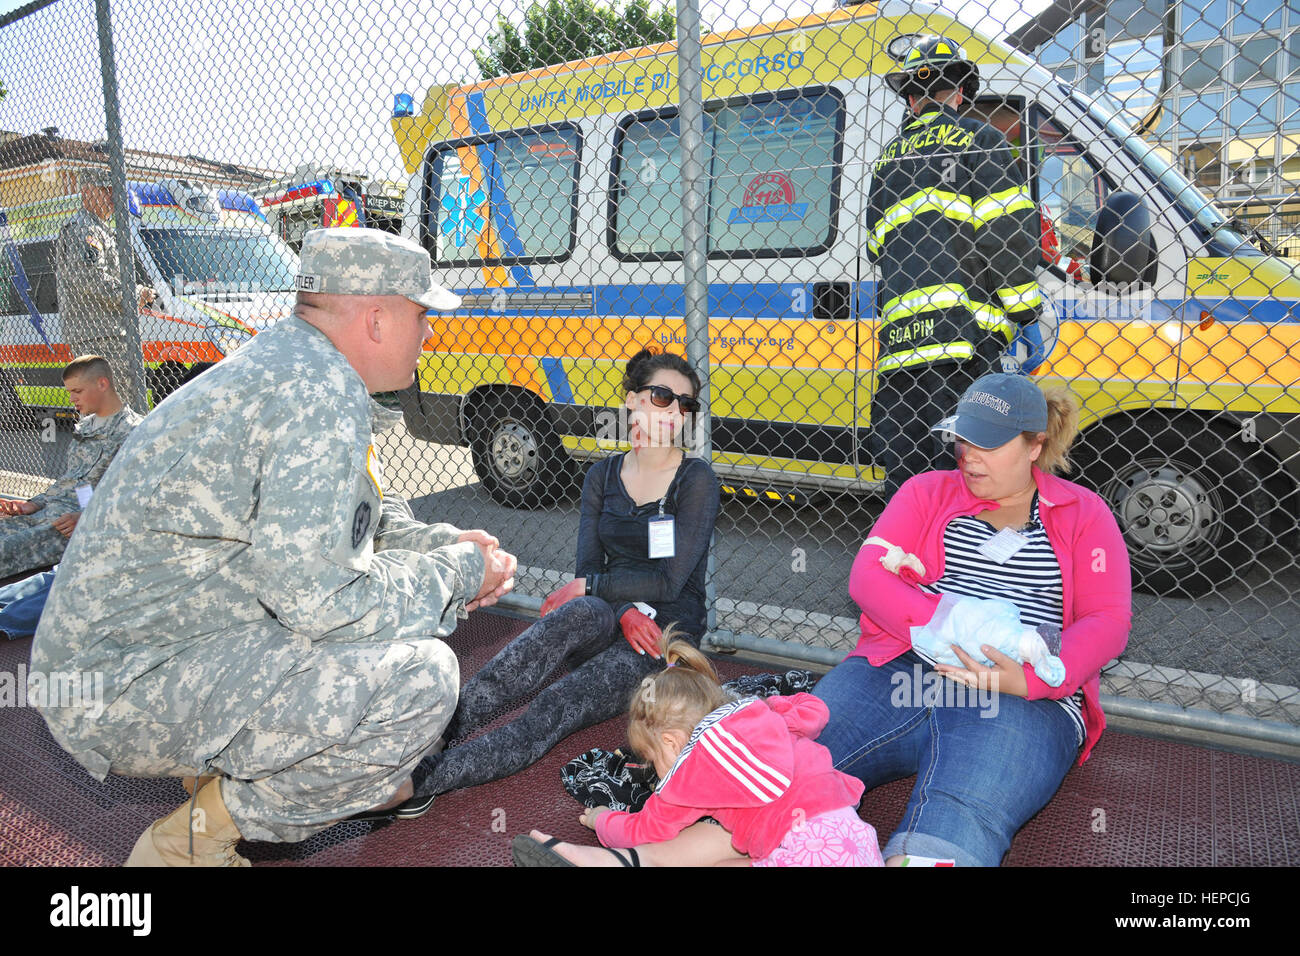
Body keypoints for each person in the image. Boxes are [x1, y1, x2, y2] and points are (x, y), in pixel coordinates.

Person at [31, 227, 517, 866]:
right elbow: (326, 601)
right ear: (375, 317)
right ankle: (186, 848)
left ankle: (214, 779)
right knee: (418, 679)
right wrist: (456, 575)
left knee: (384, 620)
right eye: (422, 314)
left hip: (136, 652)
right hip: (120, 683)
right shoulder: (314, 394)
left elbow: (350, 523)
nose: (431, 333)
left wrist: (446, 542)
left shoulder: (296, 365)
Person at [813, 372, 1132, 866]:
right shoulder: (927, 491)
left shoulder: (1082, 512)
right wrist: (956, 626)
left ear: (1034, 445)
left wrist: (1032, 678)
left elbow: (1108, 620)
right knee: (783, 771)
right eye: (964, 438)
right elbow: (868, 580)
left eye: (989, 443)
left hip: (1024, 694)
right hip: (904, 666)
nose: (969, 455)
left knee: (955, 820)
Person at [392, 348, 719, 816]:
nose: (676, 412)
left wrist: (594, 590)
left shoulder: (696, 480)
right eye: (663, 396)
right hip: (613, 616)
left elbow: (669, 583)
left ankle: (412, 785)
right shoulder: (602, 475)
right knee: (577, 615)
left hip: (662, 639)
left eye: (687, 404)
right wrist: (619, 607)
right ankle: (439, 730)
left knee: (553, 704)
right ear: (631, 400)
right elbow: (588, 569)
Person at [514, 634, 882, 867]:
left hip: (803, 856)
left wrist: (601, 820)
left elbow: (646, 829)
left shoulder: (691, 774)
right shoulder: (764, 718)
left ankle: (604, 862)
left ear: (672, 742)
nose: (656, 774)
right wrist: (774, 706)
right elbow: (815, 714)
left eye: (652, 758)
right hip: (858, 843)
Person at [866, 36, 1045, 497]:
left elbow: (875, 248)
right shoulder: (980, 139)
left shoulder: (886, 163)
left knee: (908, 474)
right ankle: (959, 563)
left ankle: (907, 560)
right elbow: (1006, 232)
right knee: (967, 474)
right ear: (962, 92)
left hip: (900, 350)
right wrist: (1024, 310)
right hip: (965, 343)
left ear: (910, 97)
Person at [0, 356, 142, 578]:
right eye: (69, 392)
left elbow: (133, 496)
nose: (72, 398)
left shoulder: (134, 432)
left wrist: (86, 517)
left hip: (73, 525)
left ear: (102, 384)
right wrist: (33, 504)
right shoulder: (85, 426)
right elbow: (71, 478)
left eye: (77, 391)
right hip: (50, 511)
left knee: (6, 550)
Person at [54, 167, 156, 405]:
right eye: (105, 191)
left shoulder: (100, 228)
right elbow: (90, 277)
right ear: (86, 192)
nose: (112, 197)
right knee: (113, 407)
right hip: (99, 335)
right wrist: (134, 294)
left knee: (110, 408)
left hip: (105, 331)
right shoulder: (85, 230)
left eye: (114, 191)